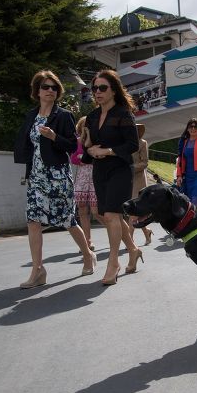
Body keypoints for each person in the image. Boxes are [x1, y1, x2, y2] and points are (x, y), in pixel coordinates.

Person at [13, 70, 96, 289]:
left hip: (57, 176)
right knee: (33, 220)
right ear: (37, 91)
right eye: (45, 87)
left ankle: (88, 255)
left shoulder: (63, 115)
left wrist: (53, 137)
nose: (50, 91)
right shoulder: (31, 116)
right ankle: (38, 270)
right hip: (37, 176)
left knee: (67, 220)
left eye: (54, 88)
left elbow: (71, 145)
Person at [81, 69, 140, 285]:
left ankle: (113, 262)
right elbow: (89, 146)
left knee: (113, 215)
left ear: (113, 90)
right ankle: (133, 250)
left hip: (120, 169)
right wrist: (89, 148)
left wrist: (106, 151)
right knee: (109, 216)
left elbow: (132, 145)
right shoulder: (92, 116)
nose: (97, 92)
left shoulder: (123, 113)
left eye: (102, 88)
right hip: (100, 170)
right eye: (94, 88)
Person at [72, 116, 103, 252]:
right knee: (82, 210)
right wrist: (84, 158)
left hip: (96, 177)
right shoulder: (77, 141)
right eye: (84, 127)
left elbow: (97, 157)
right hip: (82, 179)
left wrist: (84, 158)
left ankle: (119, 233)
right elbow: (73, 158)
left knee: (97, 212)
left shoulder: (98, 141)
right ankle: (87, 242)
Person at [129, 123, 154, 245]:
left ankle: (130, 241)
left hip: (138, 179)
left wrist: (130, 168)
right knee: (136, 211)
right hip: (125, 180)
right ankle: (146, 231)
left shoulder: (142, 143)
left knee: (133, 210)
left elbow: (145, 163)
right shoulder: (124, 143)